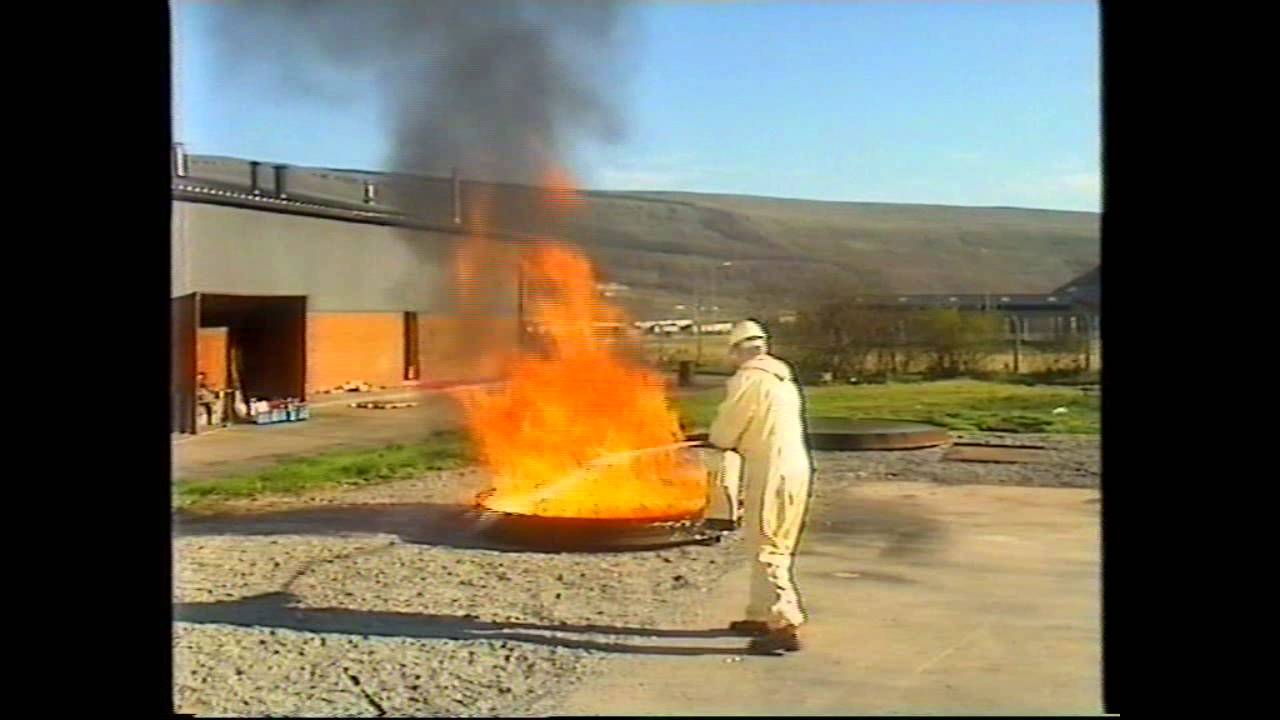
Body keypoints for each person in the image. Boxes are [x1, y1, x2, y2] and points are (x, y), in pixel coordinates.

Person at [708, 319, 814, 653]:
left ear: (737, 351)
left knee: (768, 545)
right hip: (795, 468)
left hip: (770, 472)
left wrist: (715, 440)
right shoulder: (784, 380)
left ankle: (784, 623)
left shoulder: (748, 380)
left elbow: (727, 430)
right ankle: (759, 613)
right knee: (769, 540)